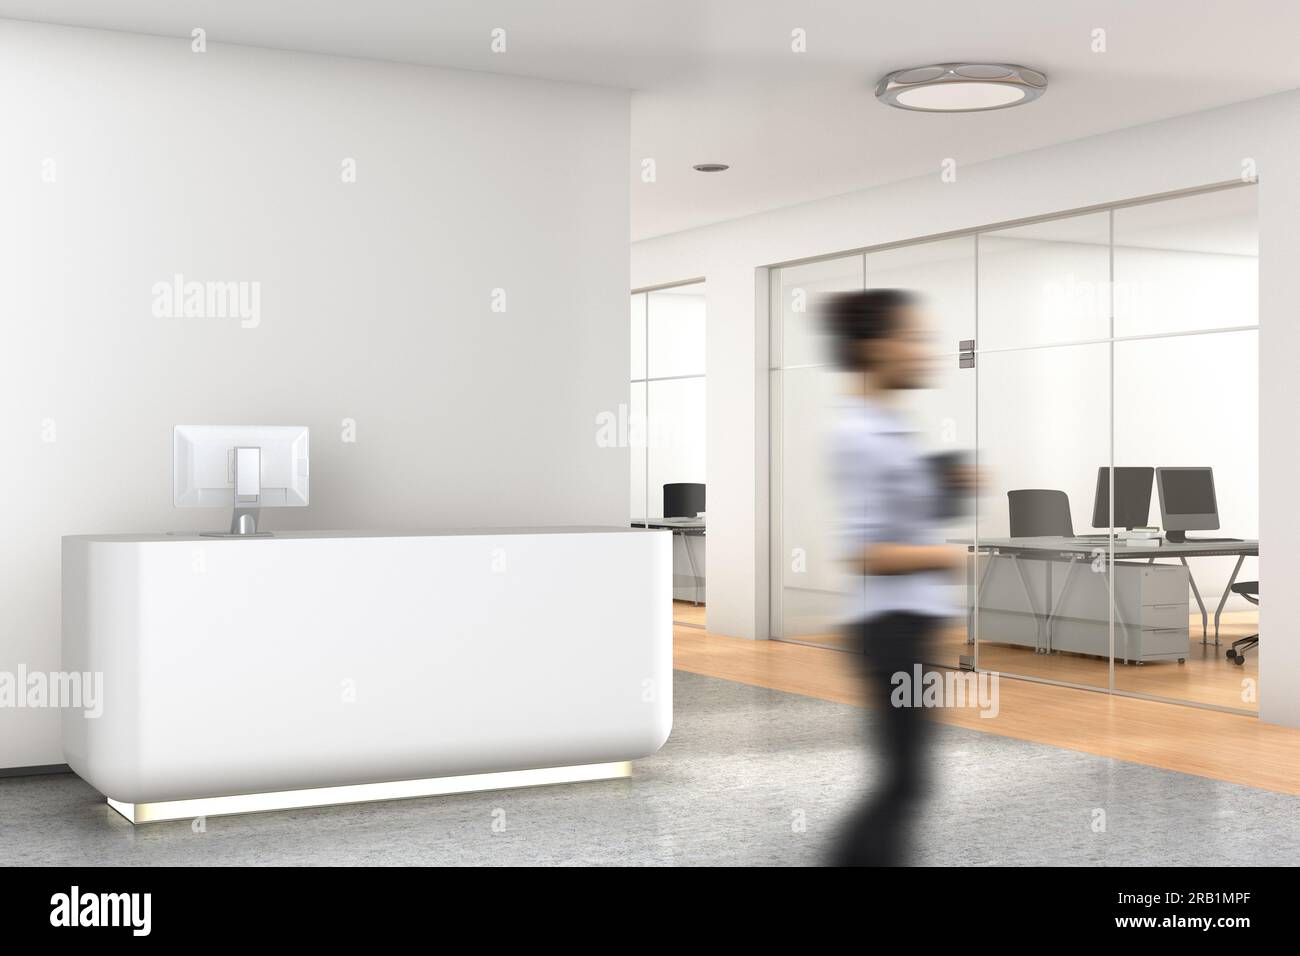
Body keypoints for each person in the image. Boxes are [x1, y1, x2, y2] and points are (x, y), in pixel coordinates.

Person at [822, 288, 967, 867]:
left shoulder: (889, 425)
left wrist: (949, 489)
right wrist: (949, 557)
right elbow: (864, 552)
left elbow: (904, 521)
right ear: (873, 346)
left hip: (912, 624)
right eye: (911, 337)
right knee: (904, 780)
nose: (923, 349)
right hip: (889, 629)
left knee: (907, 779)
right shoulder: (858, 433)